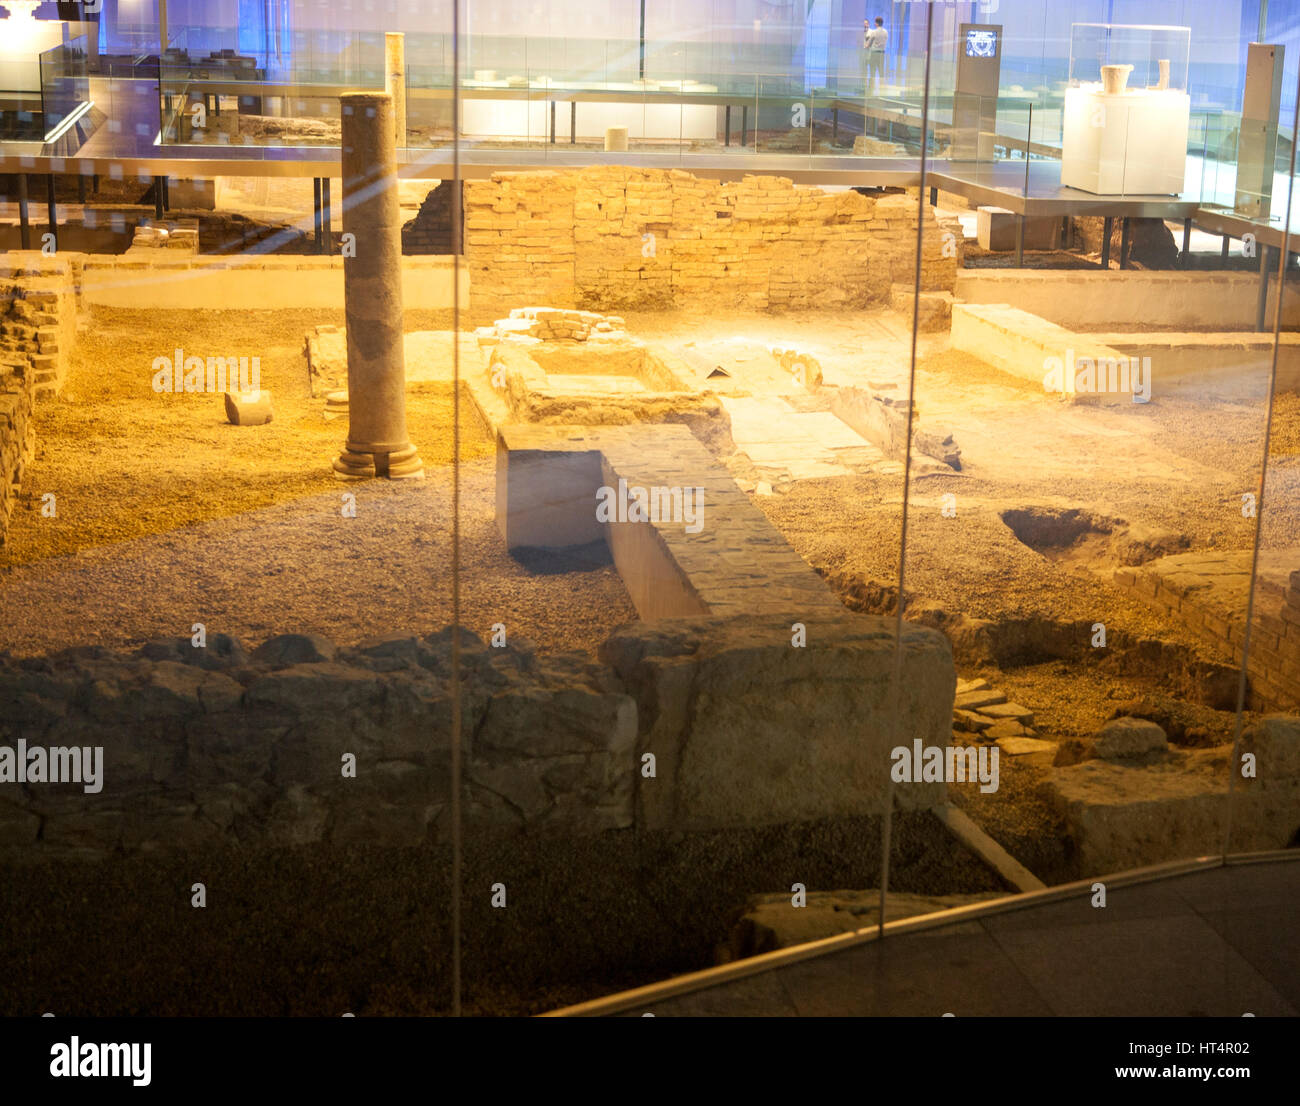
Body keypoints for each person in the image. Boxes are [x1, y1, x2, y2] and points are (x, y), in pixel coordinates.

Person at [863, 16, 888, 95]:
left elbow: (868, 44)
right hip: (882, 54)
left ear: (876, 23)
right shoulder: (886, 32)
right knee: (881, 71)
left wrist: (865, 46)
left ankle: (871, 89)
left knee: (872, 71)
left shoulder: (874, 32)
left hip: (874, 54)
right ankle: (882, 89)